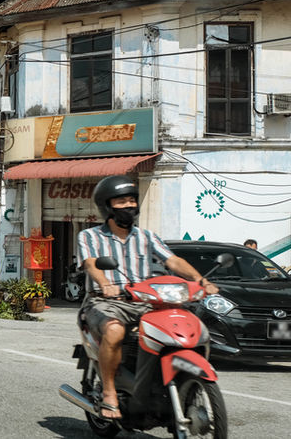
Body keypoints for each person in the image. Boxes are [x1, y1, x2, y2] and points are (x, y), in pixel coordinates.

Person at [78, 175, 219, 420]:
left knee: (179, 326)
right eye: (121, 201)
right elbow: (92, 264)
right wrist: (106, 284)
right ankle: (110, 392)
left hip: (145, 301)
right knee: (114, 331)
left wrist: (200, 281)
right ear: (107, 206)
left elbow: (173, 261)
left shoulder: (147, 236)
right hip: (106, 302)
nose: (129, 206)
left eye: (132, 200)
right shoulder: (90, 236)